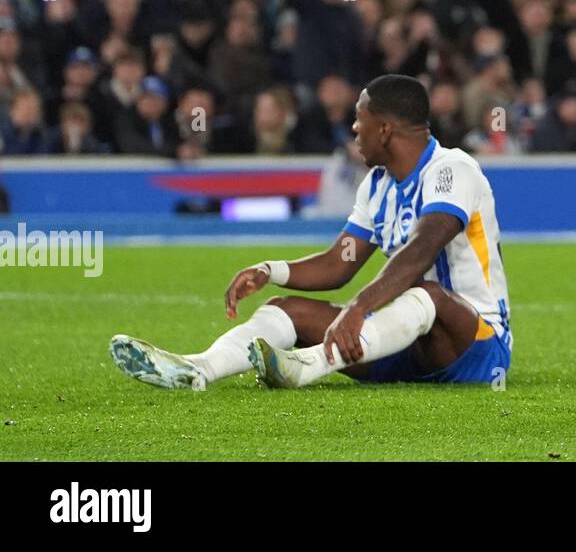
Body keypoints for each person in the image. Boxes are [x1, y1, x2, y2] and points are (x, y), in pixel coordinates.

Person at [109, 74, 511, 390]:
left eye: (361, 119)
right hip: (402, 342)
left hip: (476, 346)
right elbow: (341, 262)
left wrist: (357, 308)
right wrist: (272, 270)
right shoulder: (376, 185)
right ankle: (199, 369)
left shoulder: (453, 168)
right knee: (286, 310)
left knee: (429, 295)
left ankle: (306, 367)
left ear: (385, 130)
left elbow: (424, 246)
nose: (354, 129)